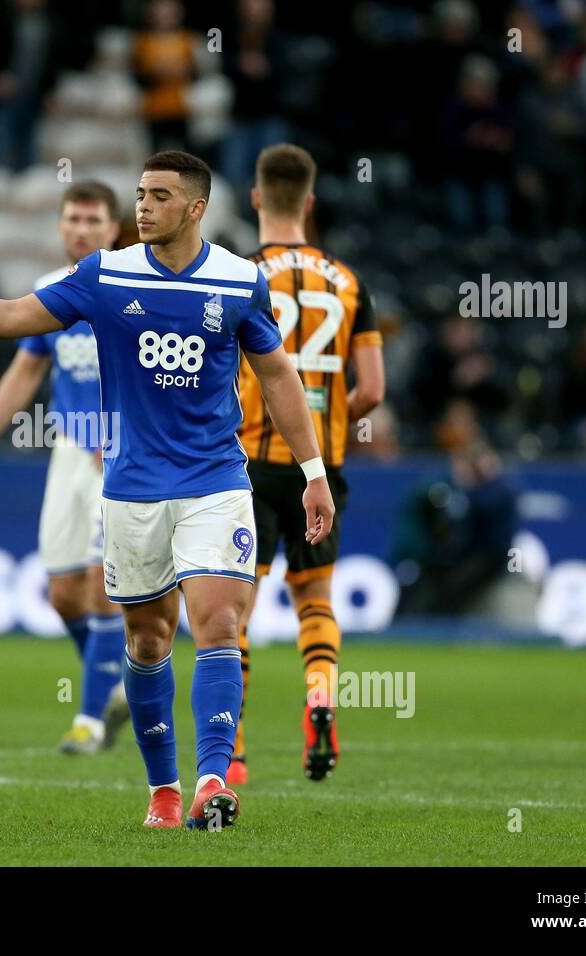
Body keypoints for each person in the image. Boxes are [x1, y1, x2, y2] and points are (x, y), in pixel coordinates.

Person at [0, 150, 334, 830]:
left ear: (196, 208)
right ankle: (164, 791)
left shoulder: (240, 281)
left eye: (159, 197)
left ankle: (211, 781)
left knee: (221, 625)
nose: (142, 207)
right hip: (133, 490)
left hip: (215, 481)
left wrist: (313, 473)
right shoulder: (105, 274)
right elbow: (16, 315)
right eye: (140, 194)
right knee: (146, 642)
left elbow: (279, 376)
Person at [0, 181, 127, 755]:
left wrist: (123, 431)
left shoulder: (133, 291)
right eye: (72, 219)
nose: (81, 229)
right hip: (70, 453)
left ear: (114, 230)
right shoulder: (52, 292)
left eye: (93, 221)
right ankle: (116, 683)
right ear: (59, 227)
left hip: (122, 456)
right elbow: (25, 373)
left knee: (104, 588)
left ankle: (90, 720)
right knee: (62, 595)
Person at [231, 144, 384, 785]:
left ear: (257, 198)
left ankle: (230, 751)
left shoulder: (238, 274)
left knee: (233, 610)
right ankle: (320, 706)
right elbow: (372, 389)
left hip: (249, 463)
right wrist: (327, 420)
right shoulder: (349, 284)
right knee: (314, 600)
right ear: (312, 203)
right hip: (320, 468)